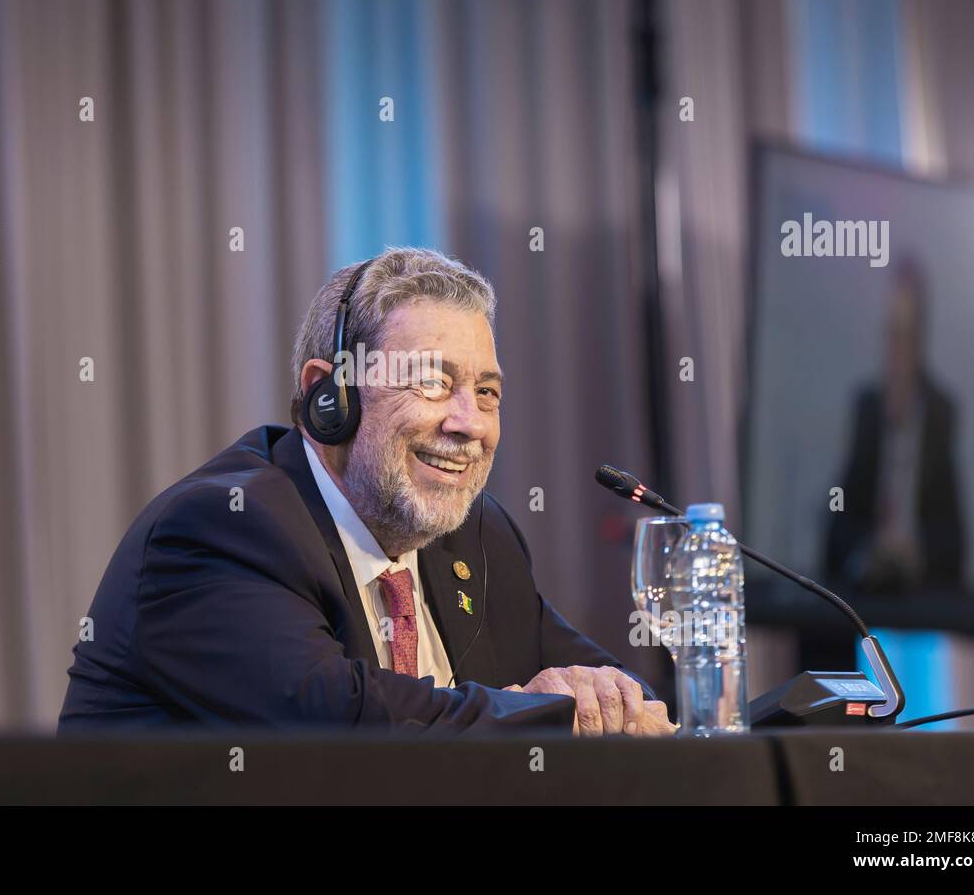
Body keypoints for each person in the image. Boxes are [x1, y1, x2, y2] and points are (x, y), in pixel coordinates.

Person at [59, 247, 673, 736]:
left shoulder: (478, 535)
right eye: (433, 381)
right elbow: (344, 726)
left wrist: (605, 704)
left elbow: (616, 692)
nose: (471, 423)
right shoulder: (222, 528)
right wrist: (543, 714)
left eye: (487, 391)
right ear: (330, 396)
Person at [825, 258, 965, 592]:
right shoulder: (867, 408)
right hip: (866, 588)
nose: (897, 349)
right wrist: (869, 549)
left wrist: (915, 550)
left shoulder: (940, 411)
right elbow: (836, 531)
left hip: (922, 594)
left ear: (921, 335)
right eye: (891, 333)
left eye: (906, 335)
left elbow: (955, 543)